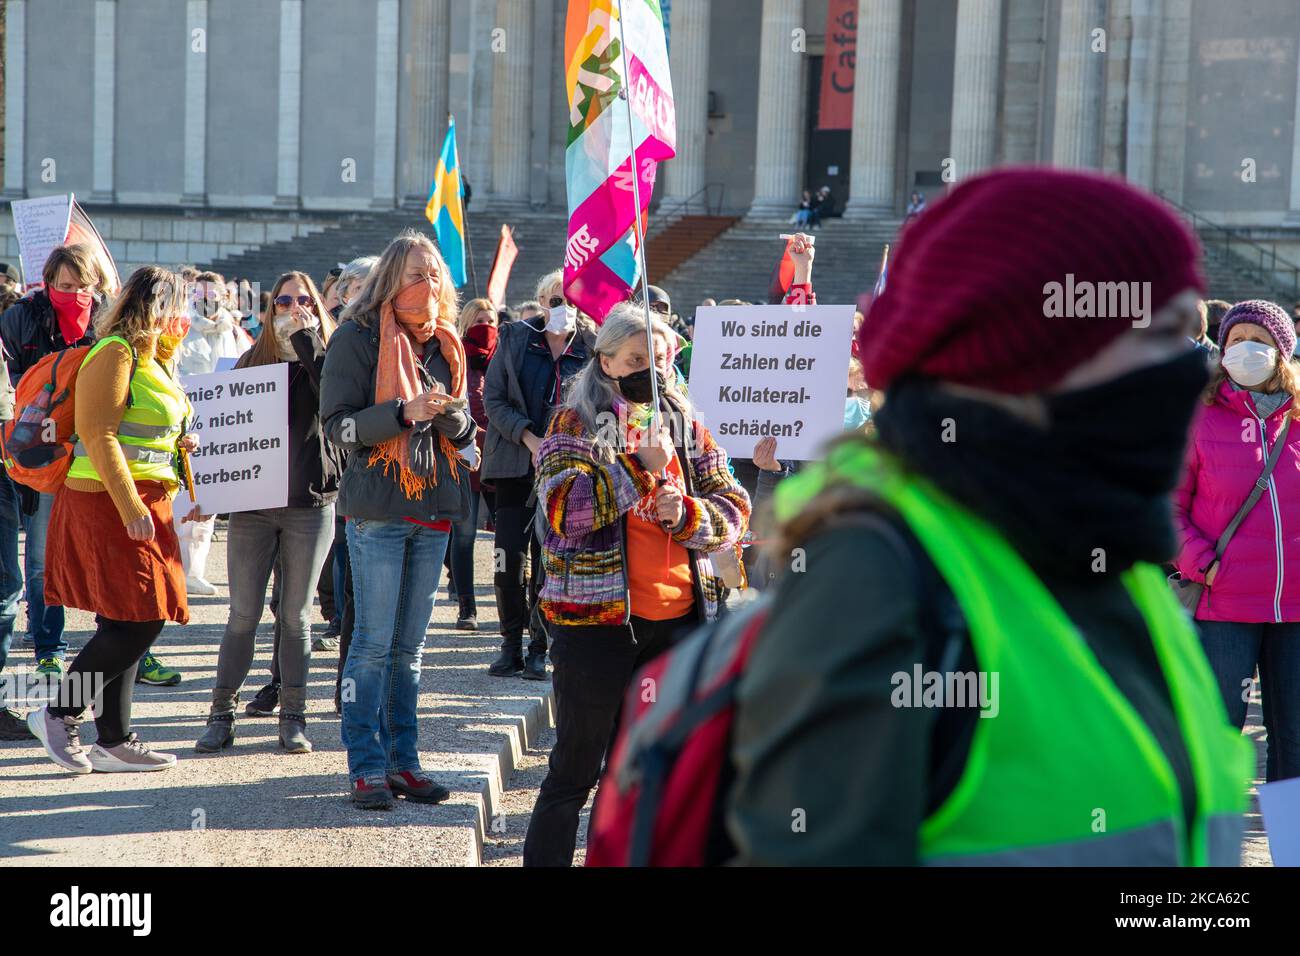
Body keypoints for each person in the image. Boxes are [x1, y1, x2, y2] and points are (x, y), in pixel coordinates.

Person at [727, 168, 1251, 865]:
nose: (1192, 369)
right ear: (1030, 361)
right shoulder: (882, 582)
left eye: (1188, 335)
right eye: (1155, 337)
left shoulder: (1110, 559)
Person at [522, 304, 750, 866]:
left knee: (644, 774)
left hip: (679, 626)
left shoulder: (685, 422)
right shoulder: (571, 423)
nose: (651, 369)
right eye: (636, 359)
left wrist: (687, 514)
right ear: (605, 361)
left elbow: (735, 507)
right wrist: (640, 468)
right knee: (576, 768)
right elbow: (564, 513)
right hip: (597, 626)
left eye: (661, 359)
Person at [321, 230, 476, 809]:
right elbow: (336, 427)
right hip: (379, 512)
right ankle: (365, 766)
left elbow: (465, 435)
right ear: (390, 279)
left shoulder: (448, 344)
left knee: (409, 650)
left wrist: (453, 421)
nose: (429, 284)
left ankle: (403, 762)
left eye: (435, 275)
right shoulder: (358, 338)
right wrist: (401, 414)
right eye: (416, 274)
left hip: (435, 508)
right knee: (371, 645)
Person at [28, 266, 205, 773]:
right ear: (157, 309)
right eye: (181, 307)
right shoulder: (115, 353)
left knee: (124, 617)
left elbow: (145, 433)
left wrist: (179, 447)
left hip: (144, 498)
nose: (186, 317)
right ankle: (58, 712)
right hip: (107, 502)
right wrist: (131, 509)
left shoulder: (153, 360)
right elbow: (99, 434)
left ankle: (114, 739)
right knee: (141, 617)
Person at [195, 272, 340, 754]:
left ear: (317, 309)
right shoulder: (246, 363)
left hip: (309, 505)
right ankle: (221, 713)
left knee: (296, 617)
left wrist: (306, 340)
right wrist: (204, 489)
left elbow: (335, 400)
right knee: (242, 614)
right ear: (267, 308)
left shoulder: (327, 358)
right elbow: (220, 433)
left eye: (304, 300)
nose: (292, 307)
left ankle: (293, 718)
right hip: (253, 511)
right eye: (283, 300)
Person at [1174, 299, 1300, 782]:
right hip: (1223, 605)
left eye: (1260, 341)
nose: (1247, 350)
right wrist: (1203, 564)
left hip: (1294, 607)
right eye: (1236, 340)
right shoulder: (1198, 419)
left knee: (1294, 740)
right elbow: (1168, 509)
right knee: (1218, 737)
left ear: (1281, 351)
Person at [0, 244, 107, 680]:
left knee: (100, 552)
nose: (76, 294)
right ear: (48, 284)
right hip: (37, 451)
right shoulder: (21, 316)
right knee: (40, 557)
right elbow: (9, 383)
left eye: (84, 287)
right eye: (66, 287)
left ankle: (118, 641)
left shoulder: (103, 317)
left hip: (89, 450)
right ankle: (49, 645)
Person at [481, 270, 592, 679]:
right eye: (556, 300)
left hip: (565, 472)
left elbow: (596, 408)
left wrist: (558, 447)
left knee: (550, 561)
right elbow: (493, 398)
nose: (564, 308)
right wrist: (529, 439)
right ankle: (509, 643)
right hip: (514, 465)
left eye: (572, 300)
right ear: (543, 302)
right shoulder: (515, 338)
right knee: (508, 559)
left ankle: (538, 646)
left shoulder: (592, 348)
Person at [176, 269, 250, 599]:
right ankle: (176, 566)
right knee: (182, 502)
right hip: (186, 426)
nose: (206, 300)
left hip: (222, 425)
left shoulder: (234, 331)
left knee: (210, 505)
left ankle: (197, 571)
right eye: (200, 294)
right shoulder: (180, 327)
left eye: (212, 294)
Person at [450, 297, 498, 630]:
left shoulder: (505, 357)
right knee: (463, 537)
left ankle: (514, 604)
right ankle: (467, 607)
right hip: (465, 459)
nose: (486, 324)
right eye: (479, 319)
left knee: (509, 539)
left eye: (491, 319)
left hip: (500, 458)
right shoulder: (455, 356)